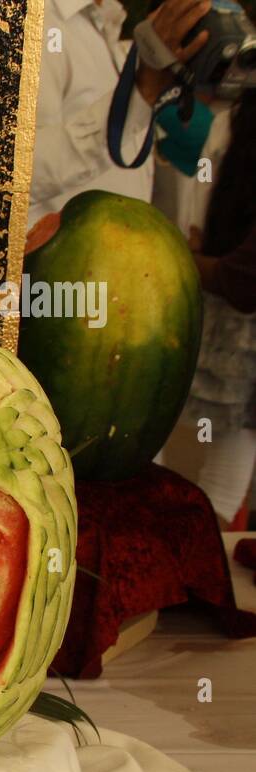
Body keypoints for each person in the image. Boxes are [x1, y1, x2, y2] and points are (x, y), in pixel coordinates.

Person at [159, 88, 256, 528]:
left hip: (231, 309)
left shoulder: (230, 121)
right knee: (227, 446)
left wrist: (188, 257)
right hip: (228, 314)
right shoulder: (228, 122)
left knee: (226, 450)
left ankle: (195, 567)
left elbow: (241, 280)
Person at [29, 0, 215, 224]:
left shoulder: (99, 22)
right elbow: (18, 176)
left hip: (112, 254)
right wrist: (143, 92)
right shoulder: (33, 22)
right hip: (56, 257)